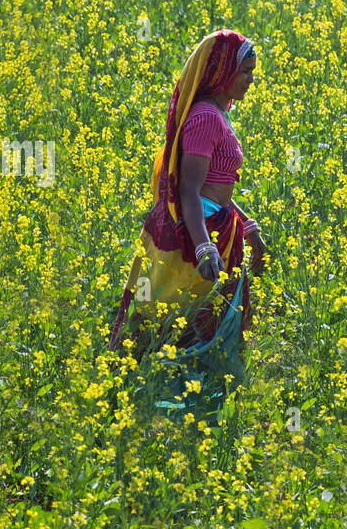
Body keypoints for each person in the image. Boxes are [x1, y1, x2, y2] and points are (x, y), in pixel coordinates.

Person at [108, 29, 267, 360]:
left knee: (195, 323)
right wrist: (204, 246)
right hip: (198, 233)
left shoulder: (219, 112)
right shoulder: (207, 118)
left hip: (213, 226)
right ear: (220, 72)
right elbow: (189, 190)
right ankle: (166, 394)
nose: (251, 79)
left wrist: (246, 224)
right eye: (244, 71)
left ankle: (192, 389)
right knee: (179, 323)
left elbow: (214, 185)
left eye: (252, 70)